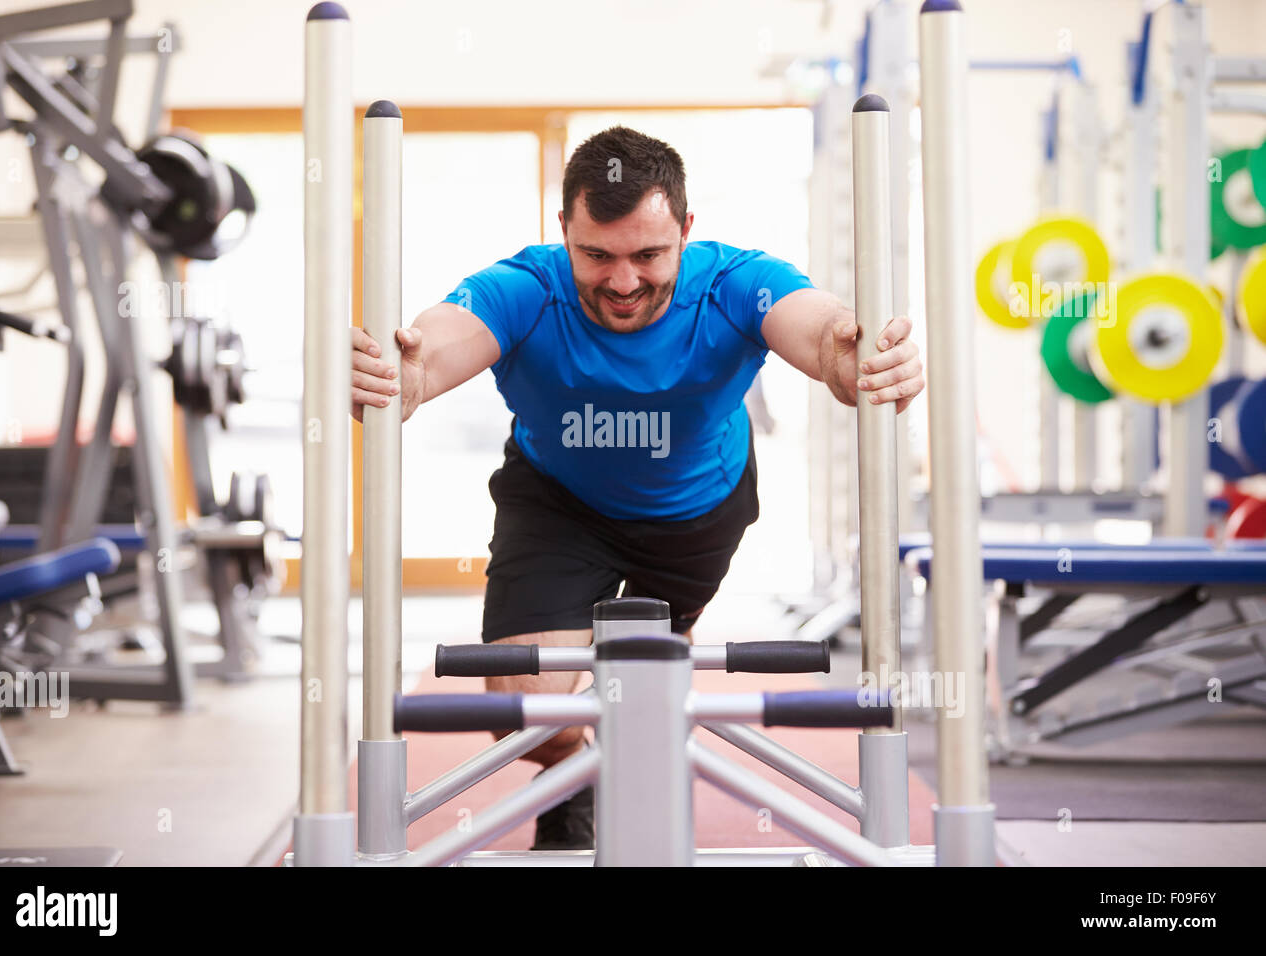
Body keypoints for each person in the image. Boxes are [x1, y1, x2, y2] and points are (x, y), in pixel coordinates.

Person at [350, 126, 923, 850]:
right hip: (557, 504)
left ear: (685, 230)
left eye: (649, 255)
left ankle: (595, 782)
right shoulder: (529, 287)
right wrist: (403, 374)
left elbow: (817, 329)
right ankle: (582, 775)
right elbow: (437, 346)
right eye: (597, 255)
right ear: (564, 232)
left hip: (695, 512)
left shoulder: (733, 282)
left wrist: (851, 354)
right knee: (528, 715)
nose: (622, 283)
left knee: (642, 695)